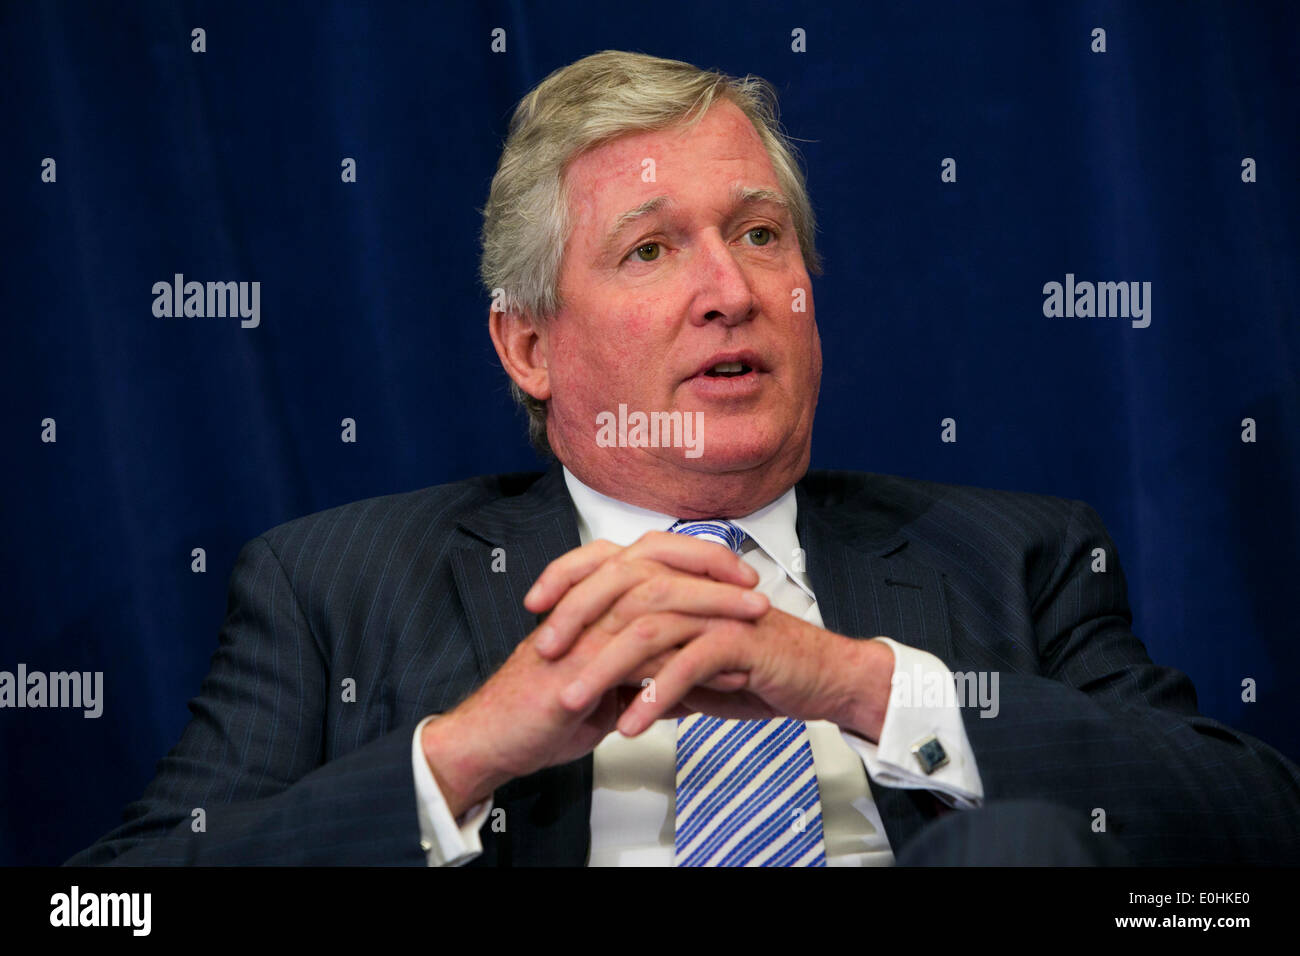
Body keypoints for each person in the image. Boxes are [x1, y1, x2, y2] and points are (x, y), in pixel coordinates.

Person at [68, 50, 1300, 867]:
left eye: (760, 234)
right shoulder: (333, 583)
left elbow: (1256, 829)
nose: (729, 290)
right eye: (652, 250)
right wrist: (461, 756)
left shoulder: (1012, 554)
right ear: (530, 342)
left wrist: (857, 682)